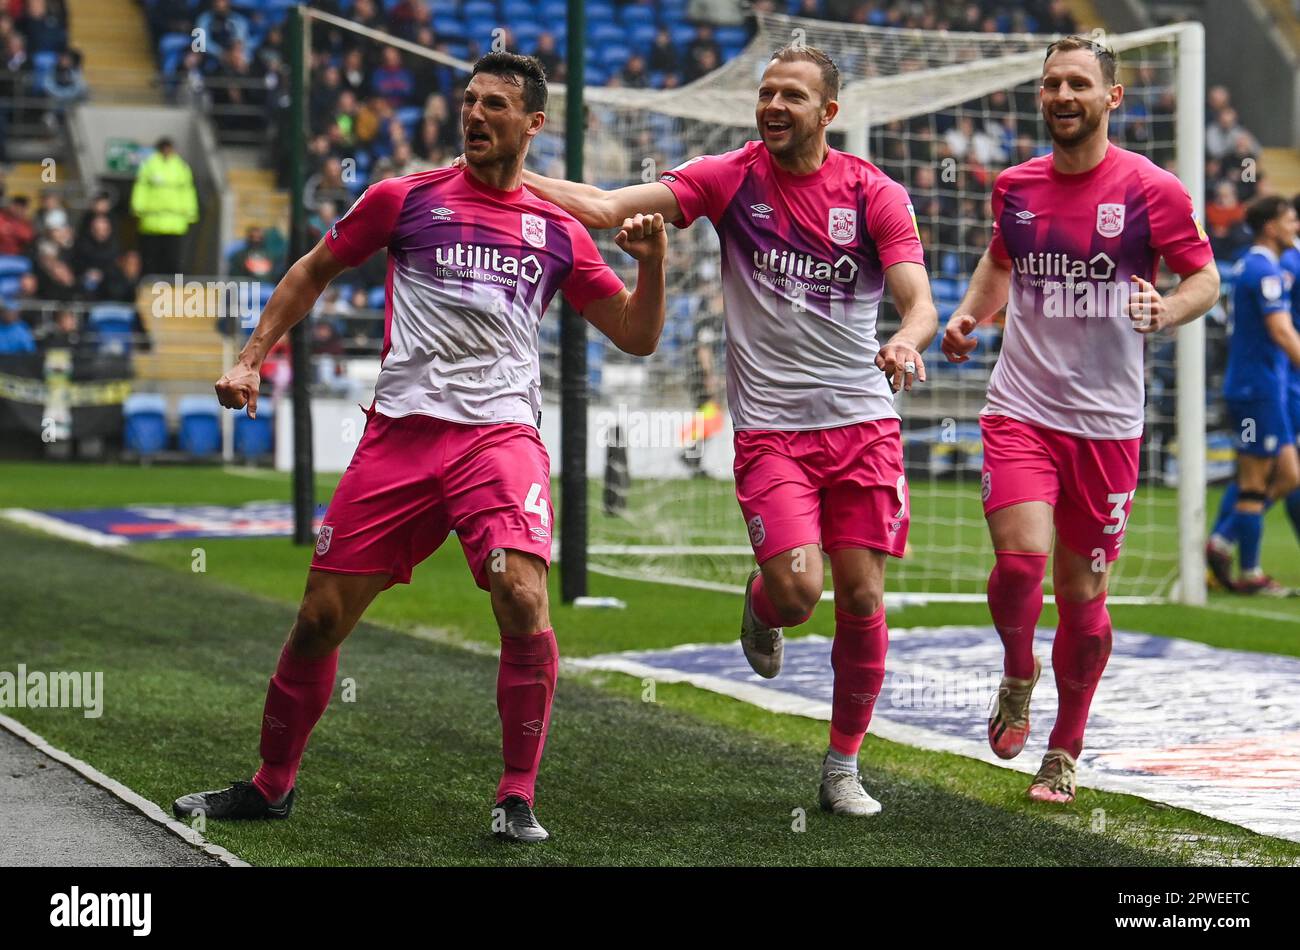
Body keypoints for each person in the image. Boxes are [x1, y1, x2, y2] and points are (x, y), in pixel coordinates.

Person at [172, 53, 668, 843]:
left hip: (498, 440)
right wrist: (251, 355)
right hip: (400, 437)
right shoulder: (405, 199)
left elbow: (637, 336)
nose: (475, 115)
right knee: (317, 619)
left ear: (532, 124)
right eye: (469, 101)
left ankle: (515, 797)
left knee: (522, 596)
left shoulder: (560, 232)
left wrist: (653, 265)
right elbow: (313, 269)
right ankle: (270, 787)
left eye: (496, 105)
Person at [505, 44, 938, 817]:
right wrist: (513, 168)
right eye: (765, 92)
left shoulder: (875, 194)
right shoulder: (730, 176)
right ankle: (763, 601)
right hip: (772, 432)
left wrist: (907, 337)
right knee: (800, 592)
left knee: (864, 600)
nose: (772, 105)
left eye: (791, 96)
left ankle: (842, 770)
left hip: (863, 425)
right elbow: (607, 207)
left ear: (827, 113)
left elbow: (920, 301)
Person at [941, 36, 1219, 803]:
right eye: (1051, 83)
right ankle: (1018, 670)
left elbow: (1205, 278)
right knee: (1022, 565)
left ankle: (1065, 748)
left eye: (1077, 84)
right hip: (1020, 407)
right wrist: (969, 315)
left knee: (1084, 597)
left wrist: (1167, 308)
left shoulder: (1152, 189)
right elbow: (1001, 261)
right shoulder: (1016, 187)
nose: (1062, 95)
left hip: (1107, 425)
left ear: (1110, 99)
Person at [1205, 196, 1300, 595]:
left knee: (1275, 477)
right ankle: (1245, 566)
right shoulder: (1264, 270)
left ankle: (1230, 549)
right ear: (1270, 227)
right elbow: (1280, 331)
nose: (1295, 225)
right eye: (1290, 219)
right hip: (1256, 390)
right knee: (1257, 479)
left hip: (1262, 387)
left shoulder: (1253, 263)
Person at [129, 137, 199, 277]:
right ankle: (149, 286)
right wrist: (137, 207)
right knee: (151, 259)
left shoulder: (181, 166)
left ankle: (172, 288)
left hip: (175, 222)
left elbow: (187, 190)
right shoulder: (149, 165)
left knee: (173, 259)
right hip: (152, 221)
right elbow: (141, 188)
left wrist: (191, 211)